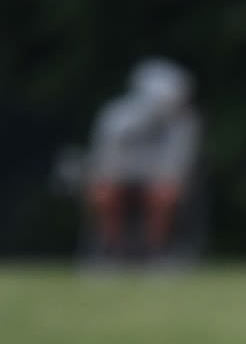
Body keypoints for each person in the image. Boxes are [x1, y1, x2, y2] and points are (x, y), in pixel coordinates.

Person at [78, 57, 204, 266]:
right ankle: (109, 251)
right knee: (104, 192)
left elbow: (178, 166)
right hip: (119, 177)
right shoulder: (116, 117)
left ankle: (154, 252)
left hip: (158, 179)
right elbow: (105, 160)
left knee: (164, 193)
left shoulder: (184, 123)